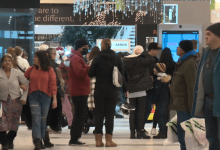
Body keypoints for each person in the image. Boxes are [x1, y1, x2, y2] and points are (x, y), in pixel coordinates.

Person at [88, 38, 126, 147]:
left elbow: (90, 74)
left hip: (99, 89)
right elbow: (121, 73)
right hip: (112, 90)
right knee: (109, 115)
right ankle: (109, 141)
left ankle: (98, 141)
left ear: (102, 46)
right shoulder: (116, 57)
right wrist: (125, 89)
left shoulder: (97, 58)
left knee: (99, 114)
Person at [192, 23, 220, 150]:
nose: (206, 37)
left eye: (209, 34)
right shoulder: (206, 53)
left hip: (218, 99)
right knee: (211, 136)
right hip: (208, 100)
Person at [24, 50, 57, 150]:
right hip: (33, 96)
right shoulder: (31, 69)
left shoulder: (49, 70)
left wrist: (54, 99)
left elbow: (53, 84)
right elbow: (23, 79)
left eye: (35, 57)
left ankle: (42, 138)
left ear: (40, 58)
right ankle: (37, 141)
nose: (33, 58)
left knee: (43, 120)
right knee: (36, 119)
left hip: (46, 97)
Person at [169, 40, 198, 150]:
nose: (177, 49)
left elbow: (192, 86)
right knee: (182, 132)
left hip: (186, 106)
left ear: (184, 49)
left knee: (186, 133)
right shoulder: (183, 62)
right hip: (181, 105)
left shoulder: (189, 63)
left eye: (179, 47)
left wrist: (193, 108)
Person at [123, 45, 154, 139]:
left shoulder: (125, 61)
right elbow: (151, 59)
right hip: (141, 89)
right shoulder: (142, 60)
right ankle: (140, 131)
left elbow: (124, 76)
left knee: (132, 112)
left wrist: (125, 89)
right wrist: (142, 53)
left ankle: (132, 132)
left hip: (131, 89)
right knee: (141, 111)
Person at [0, 53, 29, 150]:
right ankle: (4, 143)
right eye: (5, 60)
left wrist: (24, 97)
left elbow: (26, 84)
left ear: (12, 62)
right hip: (2, 102)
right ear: (2, 63)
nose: (7, 62)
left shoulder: (17, 73)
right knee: (2, 124)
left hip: (15, 102)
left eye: (9, 60)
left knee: (14, 125)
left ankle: (10, 140)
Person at [69, 39, 90, 146]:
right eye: (85, 46)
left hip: (81, 91)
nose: (86, 48)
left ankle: (75, 137)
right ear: (79, 47)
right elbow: (80, 73)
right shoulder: (76, 59)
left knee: (80, 115)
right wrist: (89, 68)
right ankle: (74, 138)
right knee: (79, 115)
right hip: (79, 91)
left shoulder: (78, 58)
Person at [151, 47, 176, 134]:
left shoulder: (159, 73)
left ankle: (160, 129)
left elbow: (157, 91)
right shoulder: (173, 65)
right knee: (165, 113)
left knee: (159, 113)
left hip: (161, 97)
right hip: (169, 91)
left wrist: (153, 100)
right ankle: (165, 129)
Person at [142, 42, 160, 135]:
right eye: (156, 50)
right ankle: (140, 127)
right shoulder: (144, 59)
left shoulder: (156, 60)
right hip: (144, 88)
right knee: (144, 108)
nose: (158, 52)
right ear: (152, 50)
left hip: (152, 88)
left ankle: (141, 127)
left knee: (148, 108)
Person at [151, 63, 171, 139]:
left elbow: (157, 92)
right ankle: (165, 132)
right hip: (166, 100)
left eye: (155, 68)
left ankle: (162, 132)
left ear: (158, 69)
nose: (153, 69)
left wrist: (153, 102)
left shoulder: (159, 80)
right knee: (163, 116)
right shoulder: (166, 79)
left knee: (160, 116)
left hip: (161, 100)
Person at [87, 46, 100, 110]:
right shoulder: (101, 62)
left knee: (93, 108)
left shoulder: (89, 63)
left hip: (91, 85)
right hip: (99, 85)